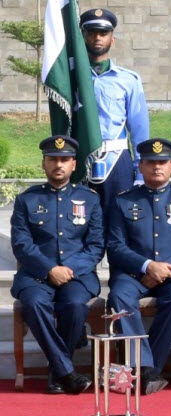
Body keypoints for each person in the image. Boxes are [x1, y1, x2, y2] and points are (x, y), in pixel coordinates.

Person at [105, 138, 171, 395]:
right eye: (150, 163)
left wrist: (164, 270)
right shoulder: (123, 201)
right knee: (118, 297)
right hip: (133, 273)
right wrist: (148, 266)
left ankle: (145, 368)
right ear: (140, 166)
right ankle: (148, 369)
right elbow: (115, 246)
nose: (156, 167)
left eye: (162, 162)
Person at [11, 135, 104, 395]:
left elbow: (96, 245)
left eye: (64, 160)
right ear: (43, 164)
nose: (58, 164)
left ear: (74, 165)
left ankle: (57, 373)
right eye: (53, 159)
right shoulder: (27, 200)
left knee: (74, 305)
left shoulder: (90, 199)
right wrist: (49, 269)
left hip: (78, 275)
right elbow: (21, 244)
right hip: (36, 275)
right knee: (34, 303)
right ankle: (66, 372)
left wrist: (69, 269)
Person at [79, 8, 150, 215]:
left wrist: (140, 170)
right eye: (91, 32)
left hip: (117, 159)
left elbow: (139, 128)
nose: (97, 38)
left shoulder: (128, 80)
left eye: (103, 33)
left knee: (119, 223)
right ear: (83, 36)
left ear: (113, 39)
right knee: (80, 224)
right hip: (81, 158)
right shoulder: (71, 77)